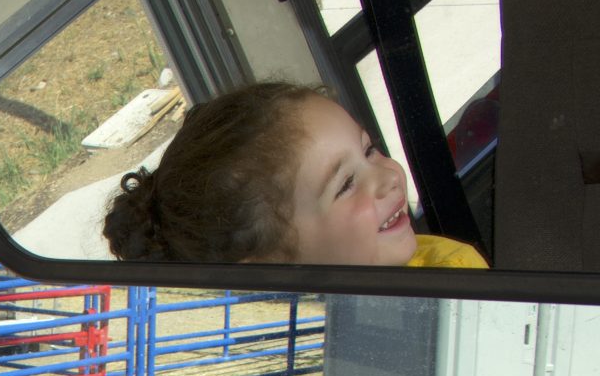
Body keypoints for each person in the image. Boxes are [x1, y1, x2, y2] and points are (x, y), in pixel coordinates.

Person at [102, 81, 488, 269]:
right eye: (347, 185)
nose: (389, 176)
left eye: (369, 149)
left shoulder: (453, 270)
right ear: (270, 272)